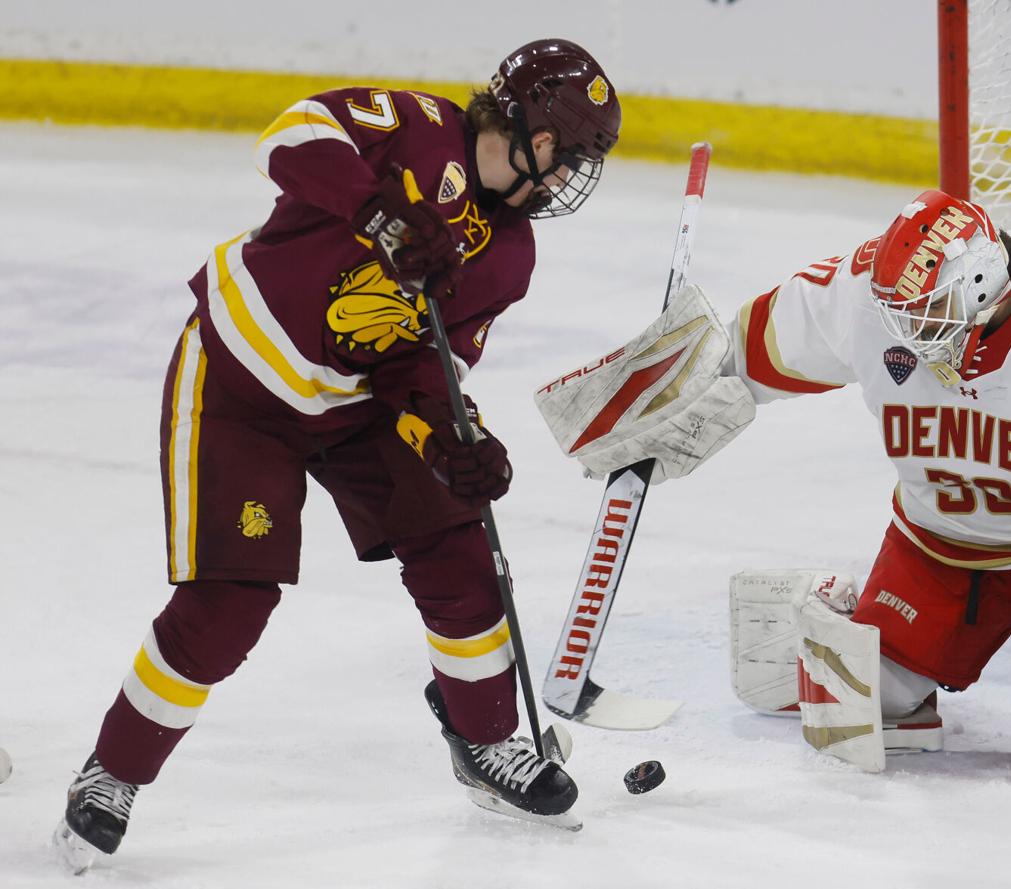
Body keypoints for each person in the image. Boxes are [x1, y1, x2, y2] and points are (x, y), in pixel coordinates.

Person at [55, 38, 620, 872]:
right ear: (529, 124)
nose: (568, 174)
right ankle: (113, 771)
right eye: (565, 153)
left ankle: (485, 739)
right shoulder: (415, 128)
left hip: (355, 404)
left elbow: (427, 364)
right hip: (240, 380)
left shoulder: (509, 254)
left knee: (457, 543)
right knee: (228, 605)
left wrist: (455, 438)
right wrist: (380, 212)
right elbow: (288, 136)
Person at [542, 188, 1011, 765]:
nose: (903, 335)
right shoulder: (865, 292)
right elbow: (746, 349)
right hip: (943, 548)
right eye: (896, 315)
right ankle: (842, 604)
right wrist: (673, 395)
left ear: (982, 285)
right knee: (853, 702)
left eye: (924, 316)